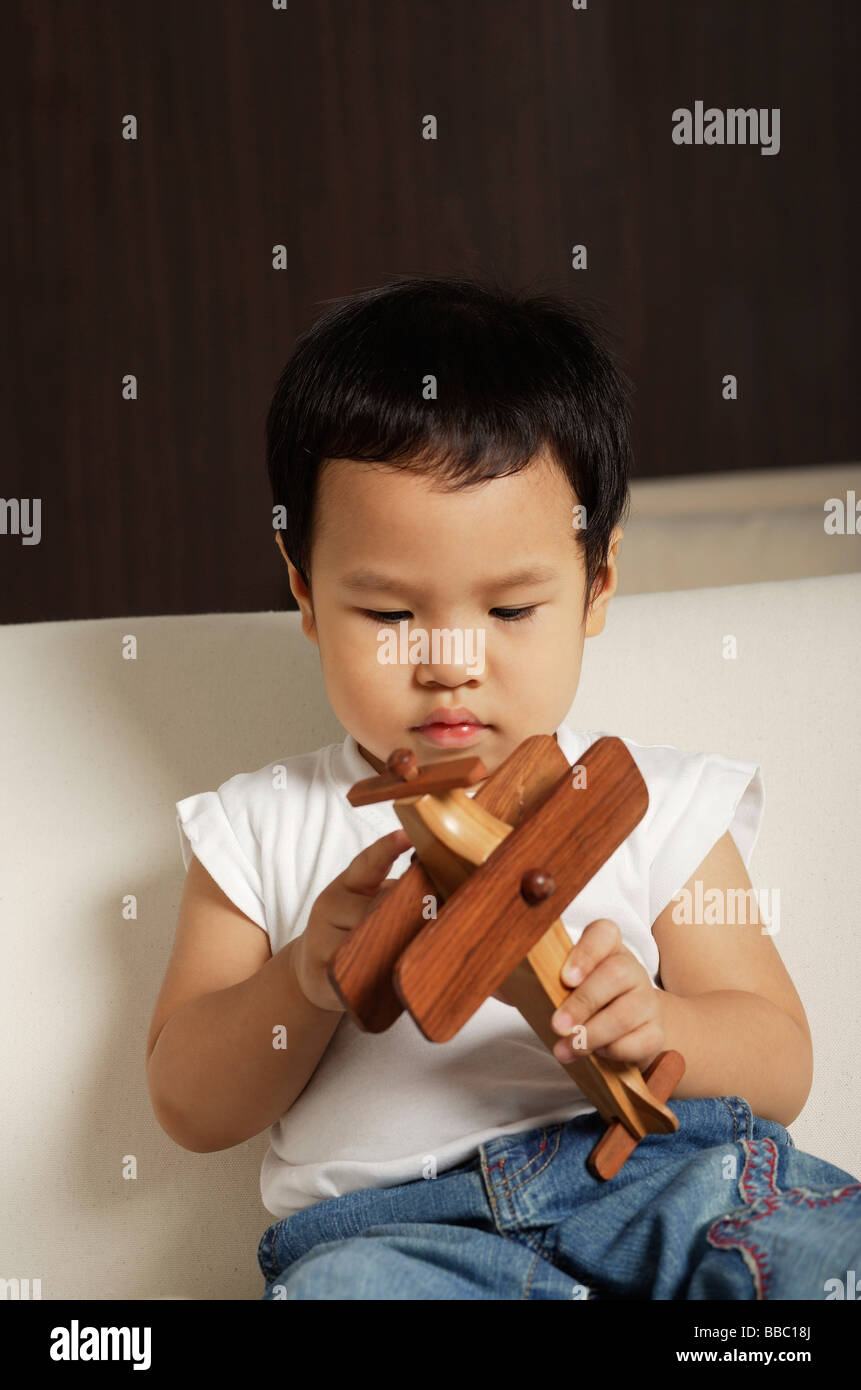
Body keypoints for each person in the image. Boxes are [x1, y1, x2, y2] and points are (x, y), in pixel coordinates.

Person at [145, 274, 861, 1300]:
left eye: (513, 608)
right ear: (303, 589)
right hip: (398, 1236)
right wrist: (303, 982)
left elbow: (781, 1059)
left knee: (818, 1254)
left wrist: (665, 1027)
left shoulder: (653, 800)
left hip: (660, 1183)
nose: (449, 660)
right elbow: (187, 1101)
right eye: (391, 616)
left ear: (597, 585)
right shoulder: (258, 827)